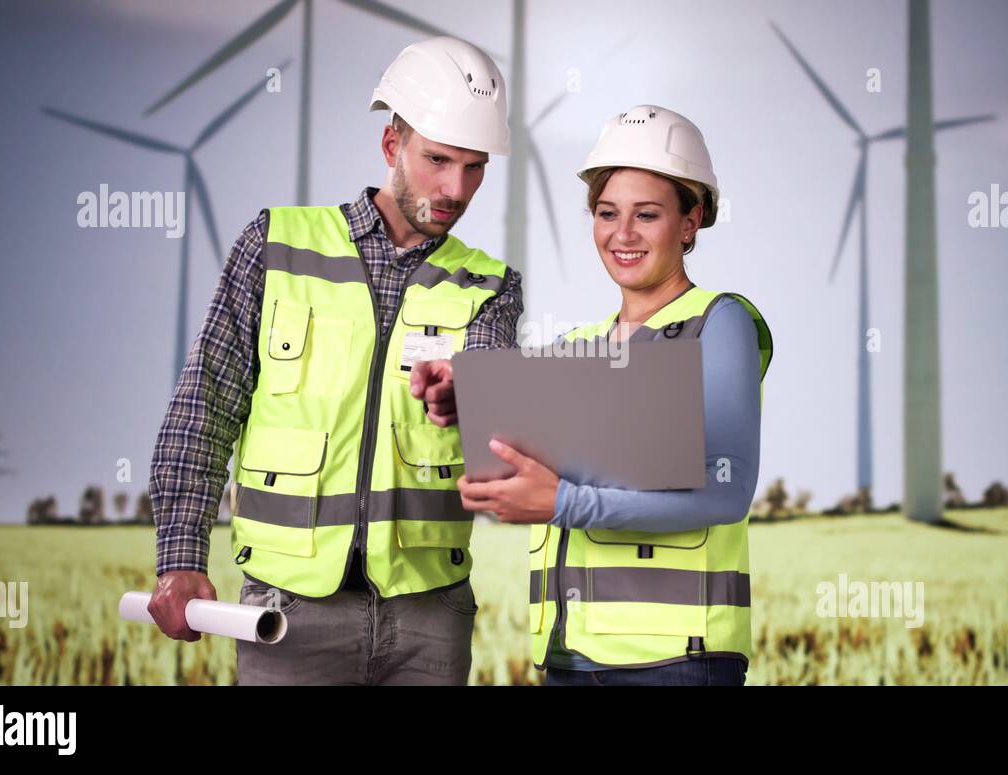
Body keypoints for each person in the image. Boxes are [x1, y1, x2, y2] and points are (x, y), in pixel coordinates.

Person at [145, 36, 523, 686]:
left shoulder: (488, 284)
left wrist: (472, 398)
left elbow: (495, 420)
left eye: (474, 167)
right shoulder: (275, 246)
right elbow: (205, 407)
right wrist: (180, 555)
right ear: (390, 145)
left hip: (428, 617)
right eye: (438, 160)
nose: (455, 189)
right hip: (288, 611)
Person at [456, 105, 773, 686]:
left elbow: (726, 490)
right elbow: (514, 458)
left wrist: (565, 504)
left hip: (675, 661)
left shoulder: (716, 323)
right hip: (569, 656)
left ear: (690, 221)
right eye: (607, 213)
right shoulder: (578, 347)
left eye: (646, 215)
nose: (622, 235)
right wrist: (454, 401)